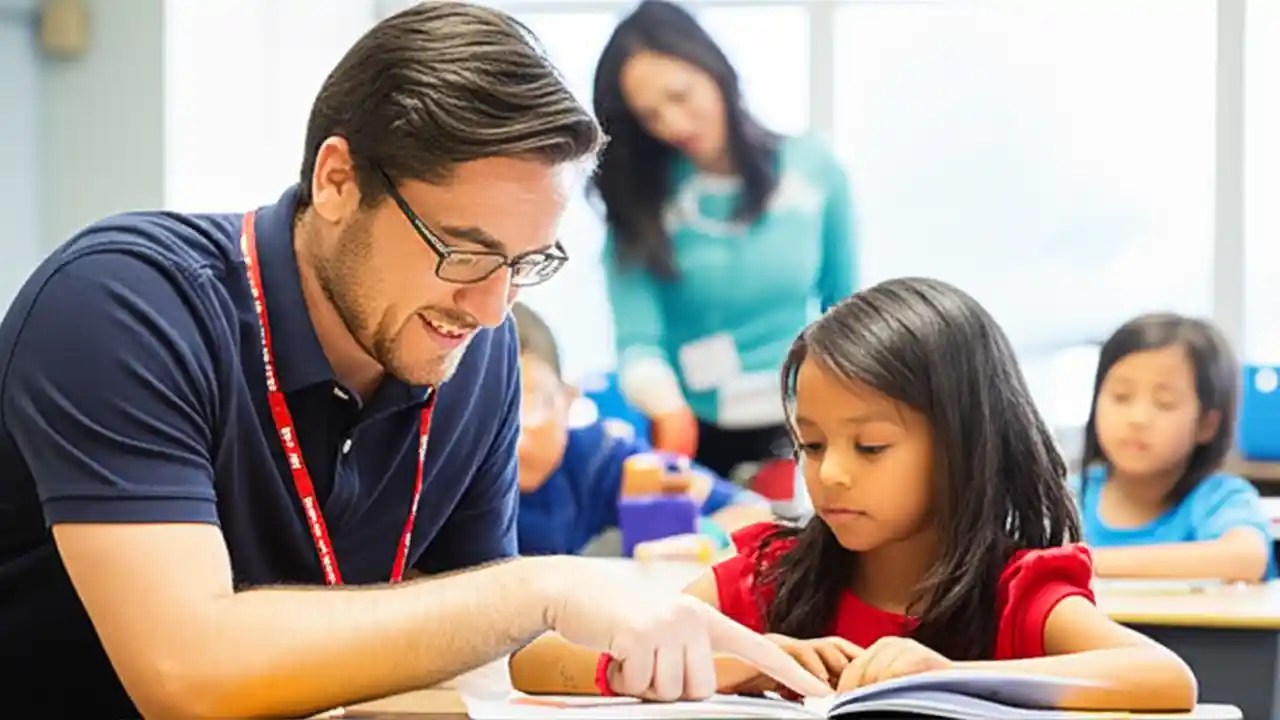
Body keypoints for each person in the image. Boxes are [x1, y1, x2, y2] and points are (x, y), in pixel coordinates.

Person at [0, 4, 830, 717]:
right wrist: (535, 585)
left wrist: (709, 657)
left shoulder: (479, 347)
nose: (493, 307)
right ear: (336, 180)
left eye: (527, 263)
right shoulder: (123, 307)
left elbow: (486, 644)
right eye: (462, 252)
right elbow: (185, 673)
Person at [508, 278, 1197, 712]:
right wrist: (737, 666)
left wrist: (952, 677)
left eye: (870, 447)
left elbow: (1164, 679)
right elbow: (537, 662)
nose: (830, 474)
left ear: (963, 443)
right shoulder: (768, 580)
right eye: (809, 445)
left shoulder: (1017, 595)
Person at [590, 0, 857, 479]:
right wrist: (665, 409)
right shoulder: (641, 200)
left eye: (681, 96)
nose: (673, 124)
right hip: (693, 433)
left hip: (806, 425)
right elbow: (638, 342)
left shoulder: (813, 170)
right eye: (650, 115)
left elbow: (846, 307)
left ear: (714, 69)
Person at [511, 302, 771, 556]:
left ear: (568, 398)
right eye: (490, 415)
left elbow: (753, 512)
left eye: (533, 404)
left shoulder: (597, 458)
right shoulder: (469, 481)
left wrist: (702, 534)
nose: (514, 438)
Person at [1073, 313, 1276, 582]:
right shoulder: (1070, 495)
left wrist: (1082, 562)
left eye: (1164, 402)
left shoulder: (1218, 498)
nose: (1138, 419)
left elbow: (1246, 558)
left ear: (1207, 424)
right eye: (1121, 397)